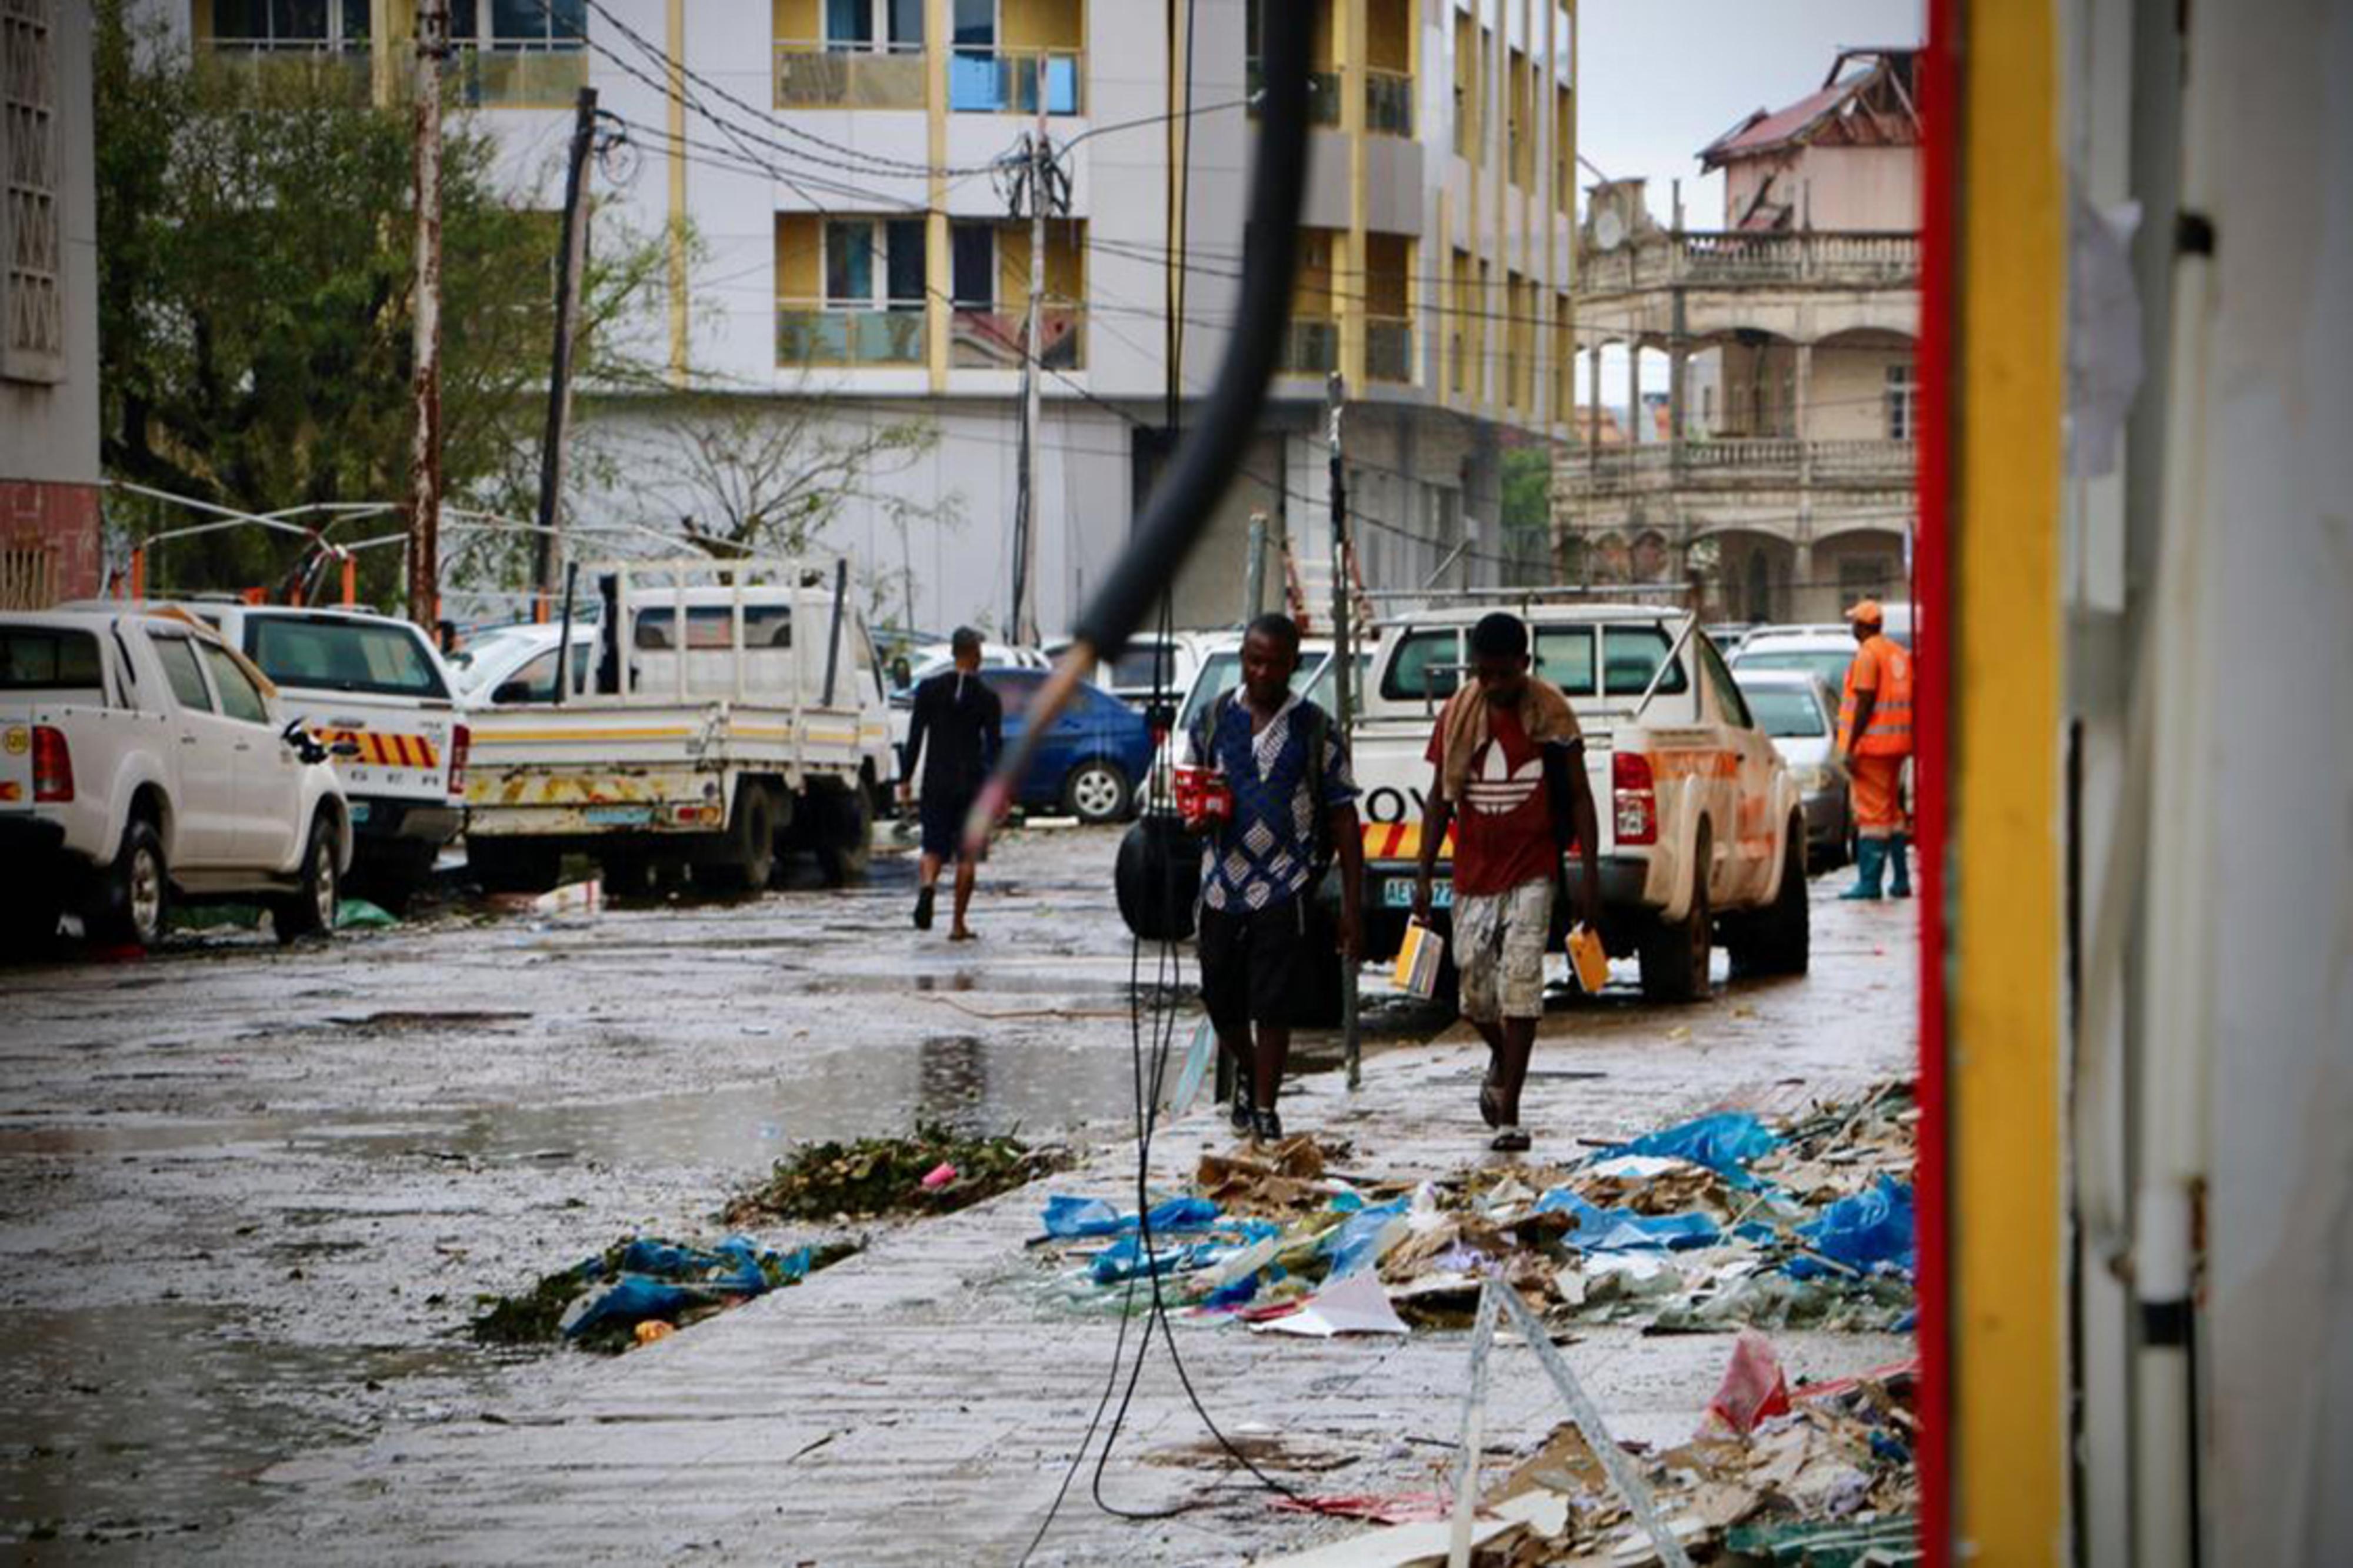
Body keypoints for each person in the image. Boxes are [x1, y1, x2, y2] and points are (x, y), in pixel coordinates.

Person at [1412, 612, 1601, 1153]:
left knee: (1521, 986)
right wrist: (1425, 874)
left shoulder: (1553, 716)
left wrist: (1587, 878)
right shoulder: (1456, 716)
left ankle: (1509, 1113)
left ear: (1524, 664)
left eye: (1503, 674)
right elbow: (1437, 799)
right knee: (1473, 997)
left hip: (1533, 870)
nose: (1492, 685)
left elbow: (1582, 798)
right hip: (1472, 873)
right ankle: (1502, 1056)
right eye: (1483, 674)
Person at [1186, 613, 1363, 1142]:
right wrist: (1201, 817)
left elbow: (1344, 817)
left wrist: (1352, 905)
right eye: (1253, 660)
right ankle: (1248, 1066)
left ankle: (1265, 1107)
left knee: (1273, 1001)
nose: (1262, 672)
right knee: (1220, 996)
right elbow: (1190, 799)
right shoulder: (1212, 719)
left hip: (1287, 885)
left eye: (1274, 663)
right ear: (1243, 658)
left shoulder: (1314, 729)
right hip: (1220, 884)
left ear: (1292, 664)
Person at [900, 628, 1003, 940]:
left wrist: (905, 778)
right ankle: (958, 924)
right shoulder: (987, 697)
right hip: (971, 784)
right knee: (967, 856)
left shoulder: (929, 690)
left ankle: (929, 886)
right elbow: (995, 747)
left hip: (936, 781)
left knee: (932, 847)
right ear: (973, 654)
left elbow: (915, 736)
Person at [1834, 599, 1916, 899]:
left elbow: (1865, 702)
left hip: (1872, 748)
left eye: (1854, 621)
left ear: (1864, 626)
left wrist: (1852, 746)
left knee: (1871, 817)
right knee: (1892, 813)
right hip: (1897, 745)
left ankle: (1870, 883)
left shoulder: (1868, 656)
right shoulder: (1896, 653)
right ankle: (1901, 880)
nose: (1852, 626)